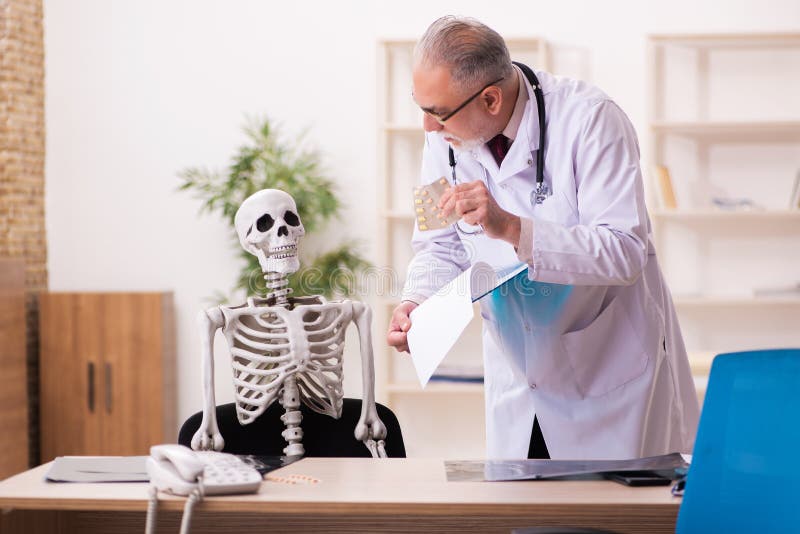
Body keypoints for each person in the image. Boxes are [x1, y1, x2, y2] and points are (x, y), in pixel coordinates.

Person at [386, 16, 700, 460]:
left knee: (609, 505)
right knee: (523, 502)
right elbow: (439, 244)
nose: (427, 127)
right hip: (518, 378)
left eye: (437, 113)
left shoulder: (591, 121)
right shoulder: (444, 140)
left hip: (607, 376)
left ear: (490, 99)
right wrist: (416, 301)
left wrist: (513, 228)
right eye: (421, 107)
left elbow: (625, 250)